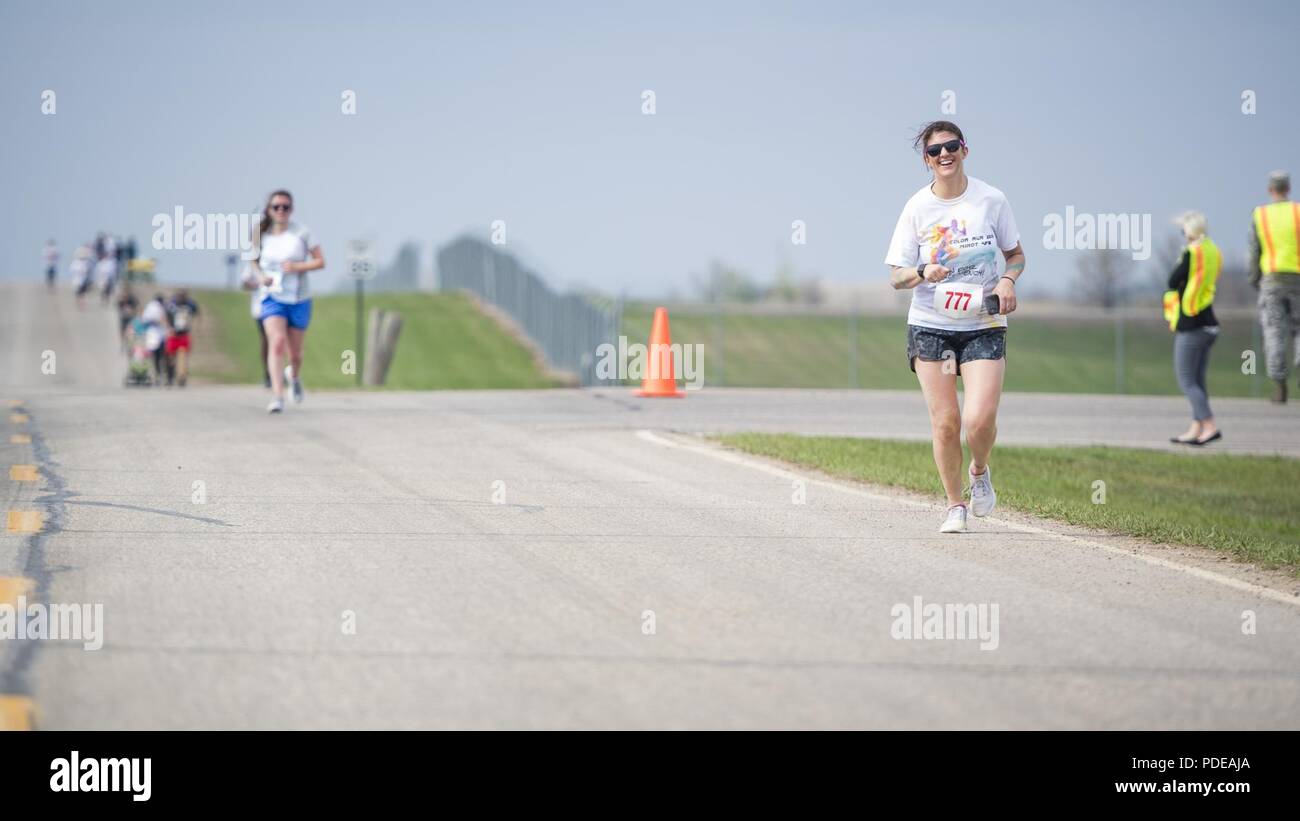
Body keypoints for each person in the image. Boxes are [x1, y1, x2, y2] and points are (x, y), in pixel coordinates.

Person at [885, 120, 1025, 534]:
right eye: (934, 151)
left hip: (983, 322)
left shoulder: (991, 200)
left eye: (950, 146)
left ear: (965, 149)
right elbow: (895, 276)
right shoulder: (916, 208)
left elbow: (1015, 255)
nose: (943, 155)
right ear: (926, 161)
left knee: (978, 421)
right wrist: (922, 271)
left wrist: (1006, 280)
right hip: (932, 325)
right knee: (946, 422)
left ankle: (980, 470)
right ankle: (954, 505)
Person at [248, 190, 324, 413]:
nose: (281, 210)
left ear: (291, 209)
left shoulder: (302, 233)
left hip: (299, 298)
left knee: (296, 354)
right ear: (269, 209)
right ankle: (278, 395)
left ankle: (295, 376)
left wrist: (297, 267)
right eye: (276, 207)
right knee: (277, 342)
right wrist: (261, 276)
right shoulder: (260, 234)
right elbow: (252, 261)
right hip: (272, 297)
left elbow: (320, 261)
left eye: (285, 207)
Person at [1164, 212, 1222, 445]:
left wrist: (1181, 260)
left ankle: (1209, 425)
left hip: (1192, 324)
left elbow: (1171, 280)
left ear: (1189, 232)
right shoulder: (1212, 251)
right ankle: (1196, 427)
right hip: (1209, 323)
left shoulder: (1191, 253)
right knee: (1198, 381)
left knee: (1186, 380)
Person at [1249, 170, 1300, 403]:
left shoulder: (1261, 215)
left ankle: (1280, 386)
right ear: (1288, 188)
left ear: (1271, 189)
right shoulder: (1298, 213)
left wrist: (1254, 278)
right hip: (1298, 278)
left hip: (1271, 280)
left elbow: (1254, 251)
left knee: (1274, 333)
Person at [240, 263, 272, 388]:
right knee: (267, 341)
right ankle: (268, 374)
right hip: (260, 309)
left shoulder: (277, 258)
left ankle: (277, 372)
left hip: (280, 305)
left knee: (278, 340)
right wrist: (259, 283)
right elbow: (244, 283)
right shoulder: (253, 265)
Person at [164, 289, 200, 387]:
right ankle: (170, 377)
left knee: (183, 357)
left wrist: (195, 328)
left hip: (184, 334)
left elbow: (197, 314)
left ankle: (182, 377)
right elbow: (165, 316)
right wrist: (168, 328)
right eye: (179, 296)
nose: (181, 298)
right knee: (170, 358)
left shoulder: (190, 305)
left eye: (183, 296)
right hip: (173, 334)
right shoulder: (171, 304)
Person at [140, 293, 170, 384]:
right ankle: (158, 375)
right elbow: (148, 319)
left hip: (159, 334)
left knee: (159, 356)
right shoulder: (153, 307)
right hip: (154, 334)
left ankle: (160, 375)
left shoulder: (157, 307)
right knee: (158, 356)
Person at [70, 244, 94, 308]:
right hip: (77, 280)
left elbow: (89, 271)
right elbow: (73, 271)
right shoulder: (75, 262)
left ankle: (82, 303)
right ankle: (79, 302)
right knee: (78, 293)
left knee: (83, 293)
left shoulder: (87, 262)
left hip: (84, 280)